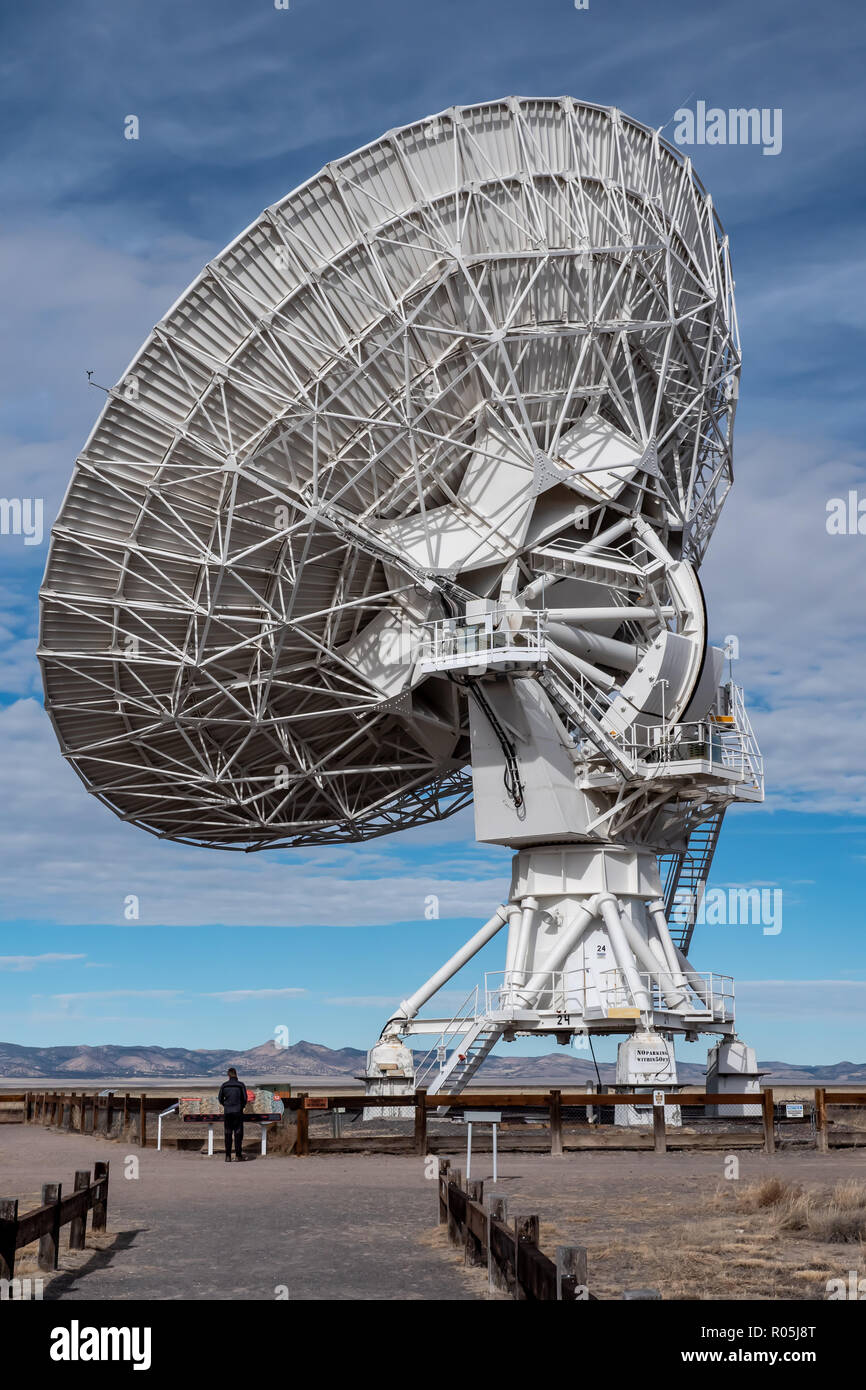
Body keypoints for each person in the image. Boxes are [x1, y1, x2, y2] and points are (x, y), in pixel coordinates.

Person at [218, 1067, 248, 1162]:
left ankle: (228, 1156)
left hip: (228, 1112)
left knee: (228, 1133)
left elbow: (220, 1099)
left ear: (228, 1075)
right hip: (238, 1111)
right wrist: (241, 1106)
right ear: (236, 1074)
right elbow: (245, 1099)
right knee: (238, 1134)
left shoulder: (224, 1085)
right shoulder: (241, 1085)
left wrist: (226, 1105)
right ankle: (238, 1156)